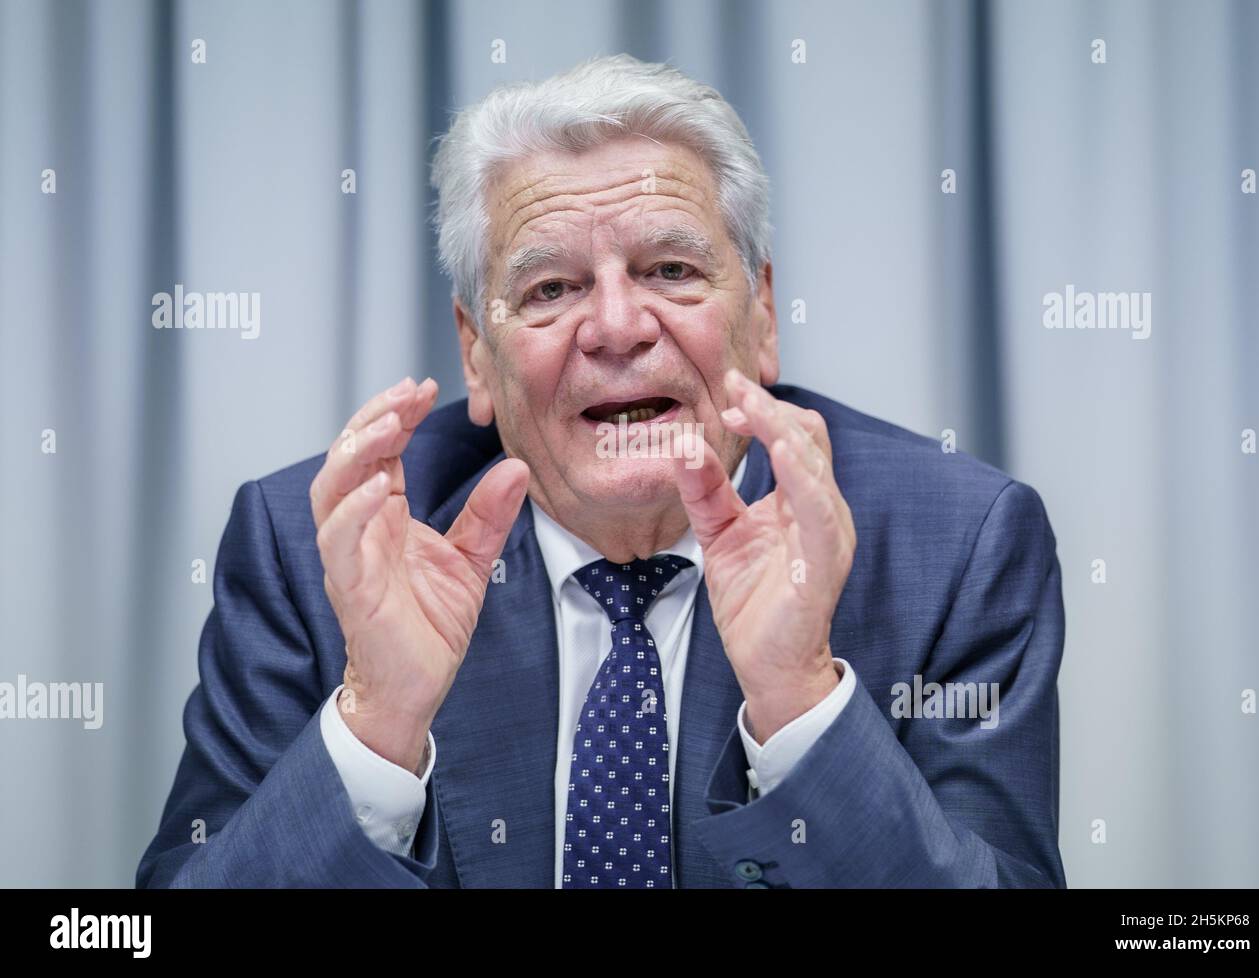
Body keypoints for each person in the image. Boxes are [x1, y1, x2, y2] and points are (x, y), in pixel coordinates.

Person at [137, 54, 1066, 888]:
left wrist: (799, 703)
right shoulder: (317, 548)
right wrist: (379, 723)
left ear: (764, 315)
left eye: (669, 269)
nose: (618, 328)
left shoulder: (961, 545)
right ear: (476, 355)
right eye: (552, 289)